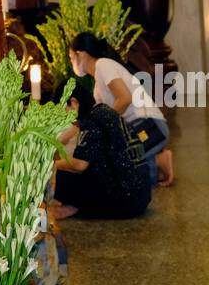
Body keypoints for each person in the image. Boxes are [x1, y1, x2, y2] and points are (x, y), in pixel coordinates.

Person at [69, 31, 174, 186]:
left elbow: (124, 98)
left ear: (81, 54)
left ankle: (159, 160)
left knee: (121, 169)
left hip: (150, 126)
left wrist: (101, 126)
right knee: (109, 167)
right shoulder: (97, 82)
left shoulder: (103, 65)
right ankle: (155, 162)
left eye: (71, 57)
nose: (71, 62)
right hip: (134, 129)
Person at [53, 79, 152, 220]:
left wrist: (53, 165)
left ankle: (77, 207)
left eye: (64, 112)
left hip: (124, 202)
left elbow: (79, 164)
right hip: (141, 197)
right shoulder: (104, 111)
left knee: (54, 176)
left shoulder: (92, 121)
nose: (65, 120)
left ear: (74, 103)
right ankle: (76, 206)